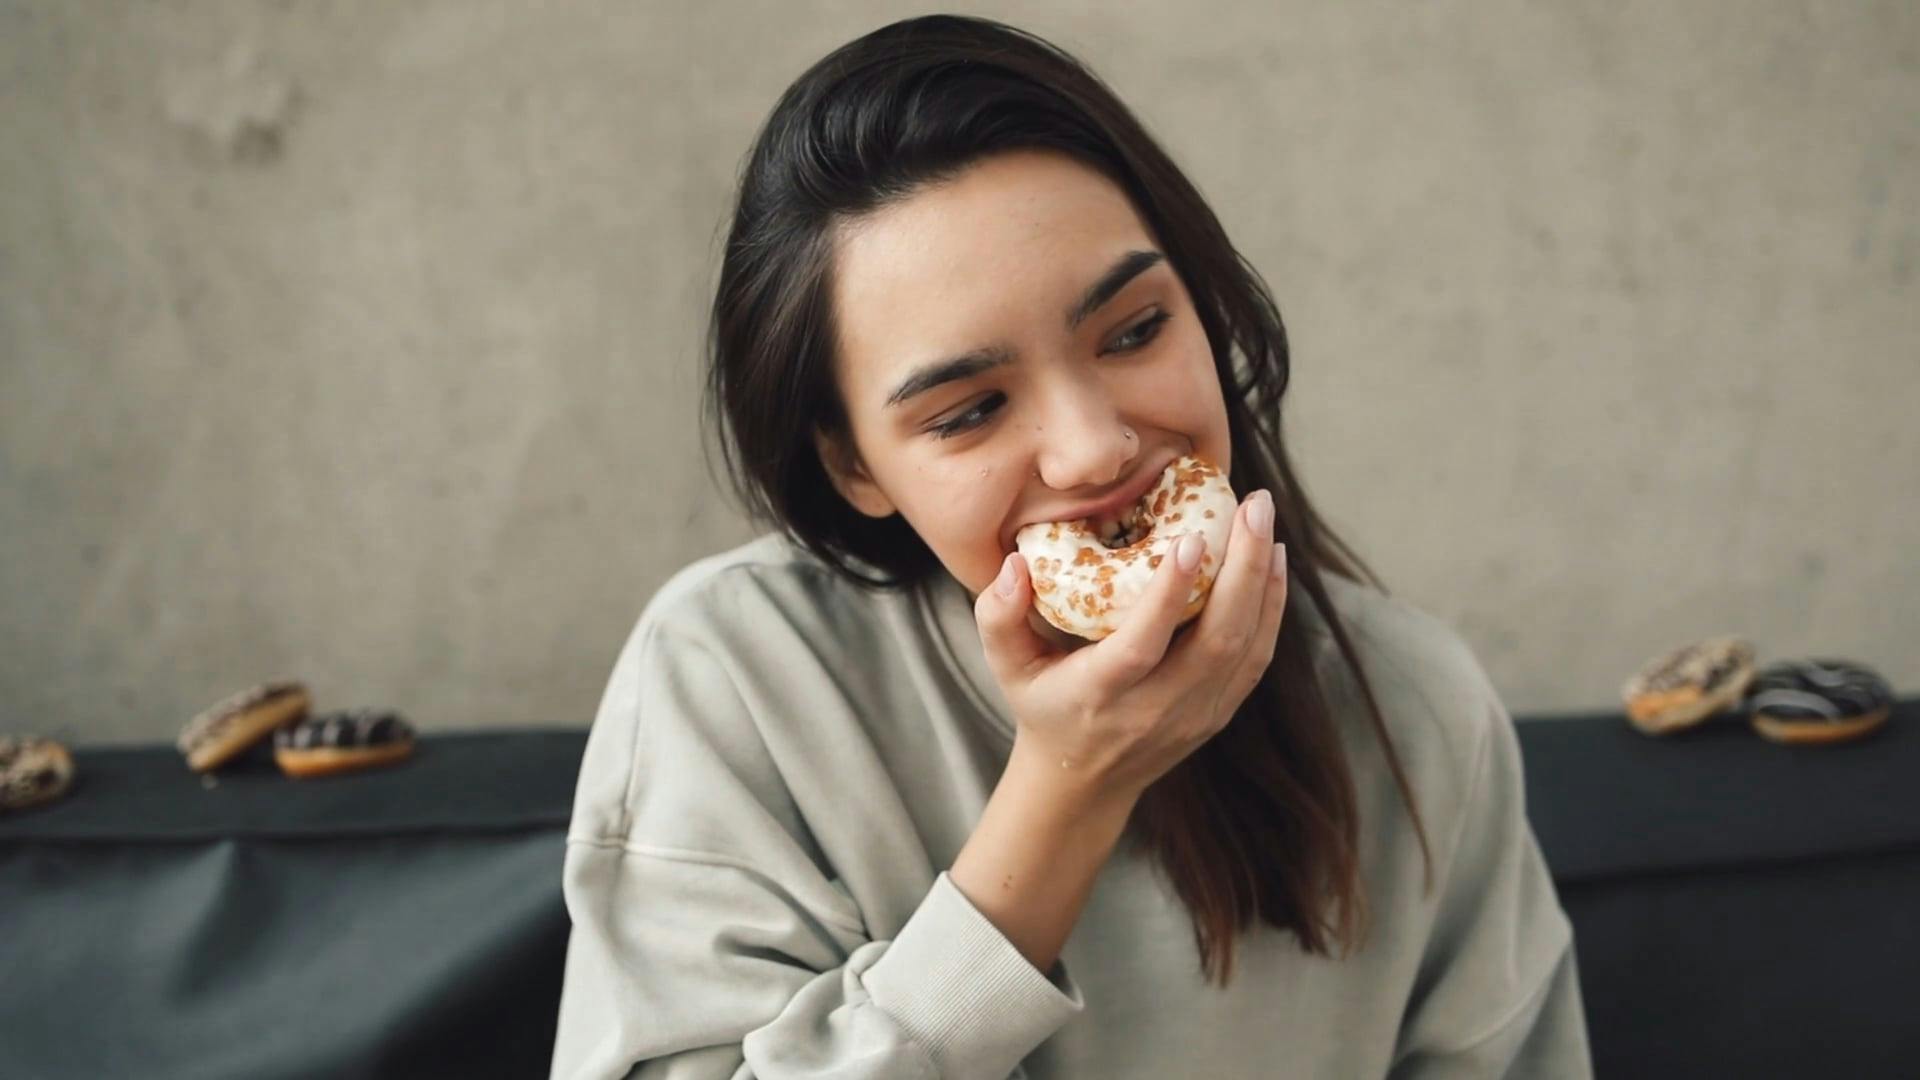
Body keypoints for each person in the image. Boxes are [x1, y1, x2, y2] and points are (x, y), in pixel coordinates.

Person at [549, 14, 1592, 1079]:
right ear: (854, 465)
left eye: (1136, 332)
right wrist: (1066, 793)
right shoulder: (738, 679)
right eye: (969, 411)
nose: (1094, 450)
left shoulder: (1408, 706)